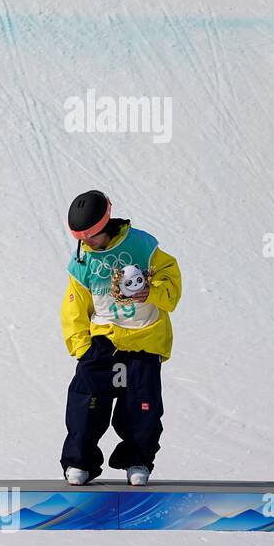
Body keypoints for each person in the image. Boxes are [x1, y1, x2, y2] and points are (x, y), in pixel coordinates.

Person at [60, 190, 182, 486]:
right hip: (104, 341)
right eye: (80, 238)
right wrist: (82, 347)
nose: (85, 243)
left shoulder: (143, 247)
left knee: (142, 405)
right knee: (86, 401)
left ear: (105, 225)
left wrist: (150, 292)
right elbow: (75, 305)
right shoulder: (83, 261)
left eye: (90, 236)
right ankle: (80, 461)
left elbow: (172, 290)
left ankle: (137, 458)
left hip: (144, 339)